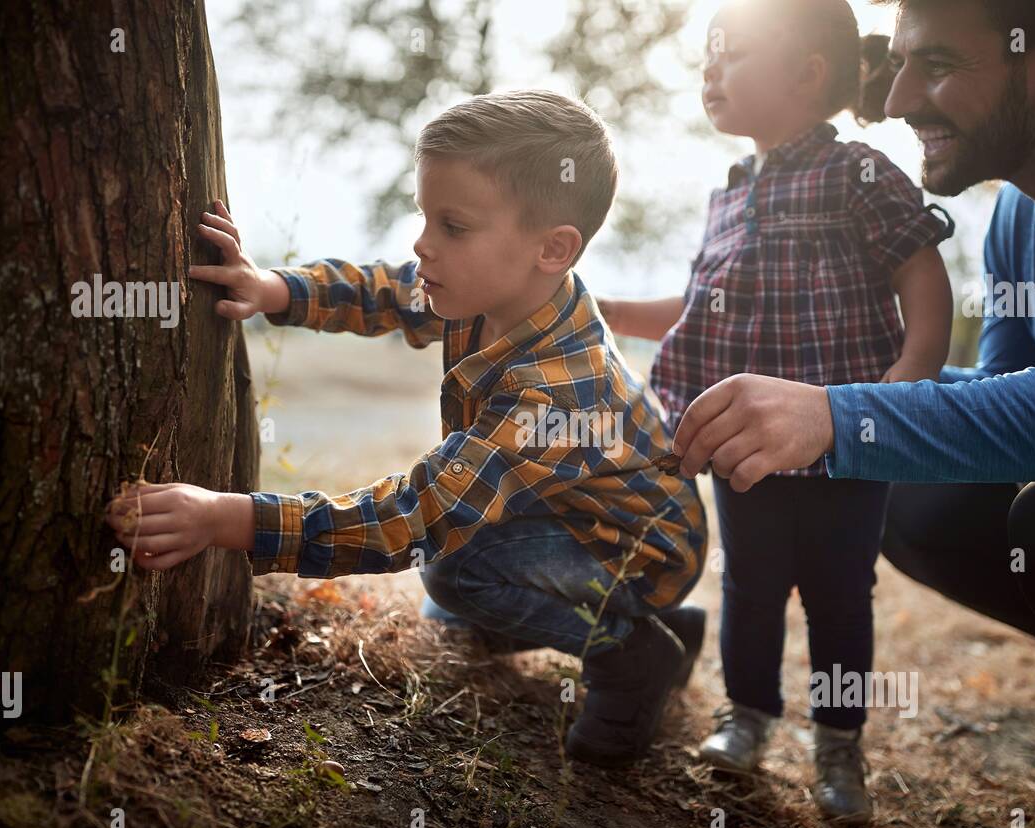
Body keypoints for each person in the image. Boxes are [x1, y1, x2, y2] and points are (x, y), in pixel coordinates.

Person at [672, 0, 1035, 828]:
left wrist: (839, 415)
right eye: (896, 65)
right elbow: (1006, 413)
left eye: (934, 65)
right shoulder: (1011, 216)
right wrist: (823, 401)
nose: (893, 100)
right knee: (914, 496)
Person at [105, 90, 709, 769]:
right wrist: (273, 287)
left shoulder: (556, 391)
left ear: (553, 248)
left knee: (453, 573)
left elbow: (415, 521)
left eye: (453, 225)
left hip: (636, 549)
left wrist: (228, 520)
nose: (423, 242)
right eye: (427, 217)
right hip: (573, 513)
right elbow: (386, 292)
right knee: (461, 613)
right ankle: (663, 629)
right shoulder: (501, 289)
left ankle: (632, 649)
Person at [600, 0, 953, 824]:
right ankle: (748, 717)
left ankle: (839, 746)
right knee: (751, 584)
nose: (710, 71)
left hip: (846, 435)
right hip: (743, 442)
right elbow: (696, 307)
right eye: (706, 58)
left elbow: (922, 274)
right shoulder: (729, 194)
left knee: (839, 593)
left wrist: (910, 379)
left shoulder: (858, 171)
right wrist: (611, 306)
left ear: (808, 74)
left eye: (732, 54)